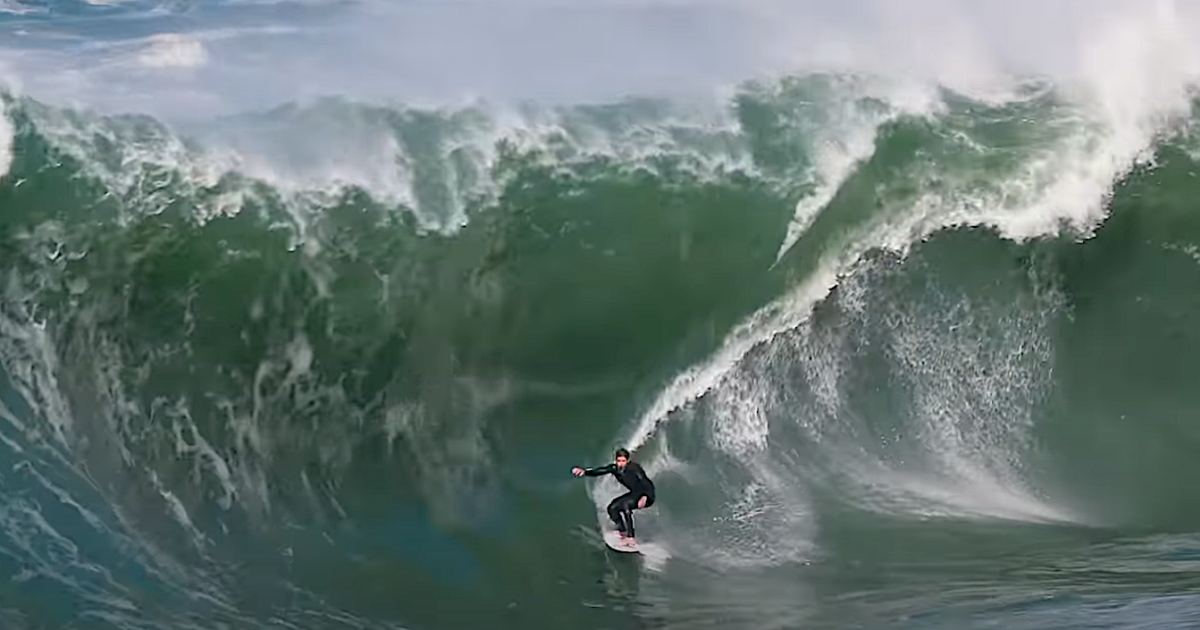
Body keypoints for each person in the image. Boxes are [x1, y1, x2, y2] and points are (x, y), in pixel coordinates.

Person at [572, 448, 655, 546]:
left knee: (625, 505)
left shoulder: (635, 469)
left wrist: (645, 496)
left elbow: (647, 483)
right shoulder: (614, 468)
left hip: (646, 496)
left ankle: (631, 538)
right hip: (634, 494)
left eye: (623, 461)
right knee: (612, 508)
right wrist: (585, 472)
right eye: (618, 461)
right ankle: (622, 530)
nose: (620, 463)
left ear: (628, 460)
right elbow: (600, 470)